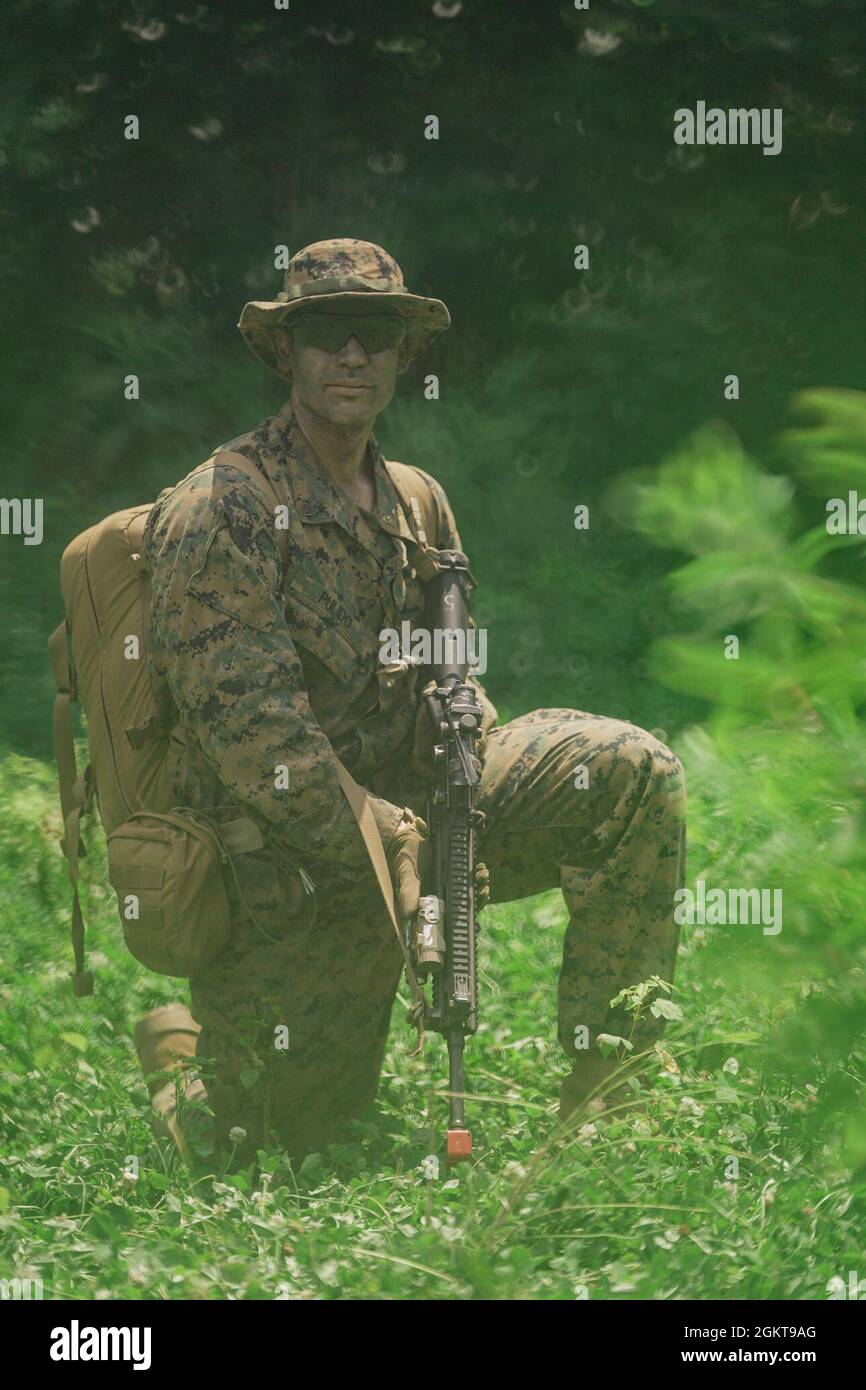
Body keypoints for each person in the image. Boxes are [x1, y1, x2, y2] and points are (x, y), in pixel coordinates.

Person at [141, 237, 686, 1161]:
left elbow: (451, 661)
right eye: (326, 334)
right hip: (295, 866)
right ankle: (178, 1059)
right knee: (273, 1135)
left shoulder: (416, 500)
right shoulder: (223, 507)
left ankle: (610, 1086)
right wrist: (390, 839)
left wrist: (464, 729)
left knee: (632, 772)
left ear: (403, 354)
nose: (352, 355)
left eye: (376, 334)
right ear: (287, 353)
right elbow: (258, 746)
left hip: (422, 812)